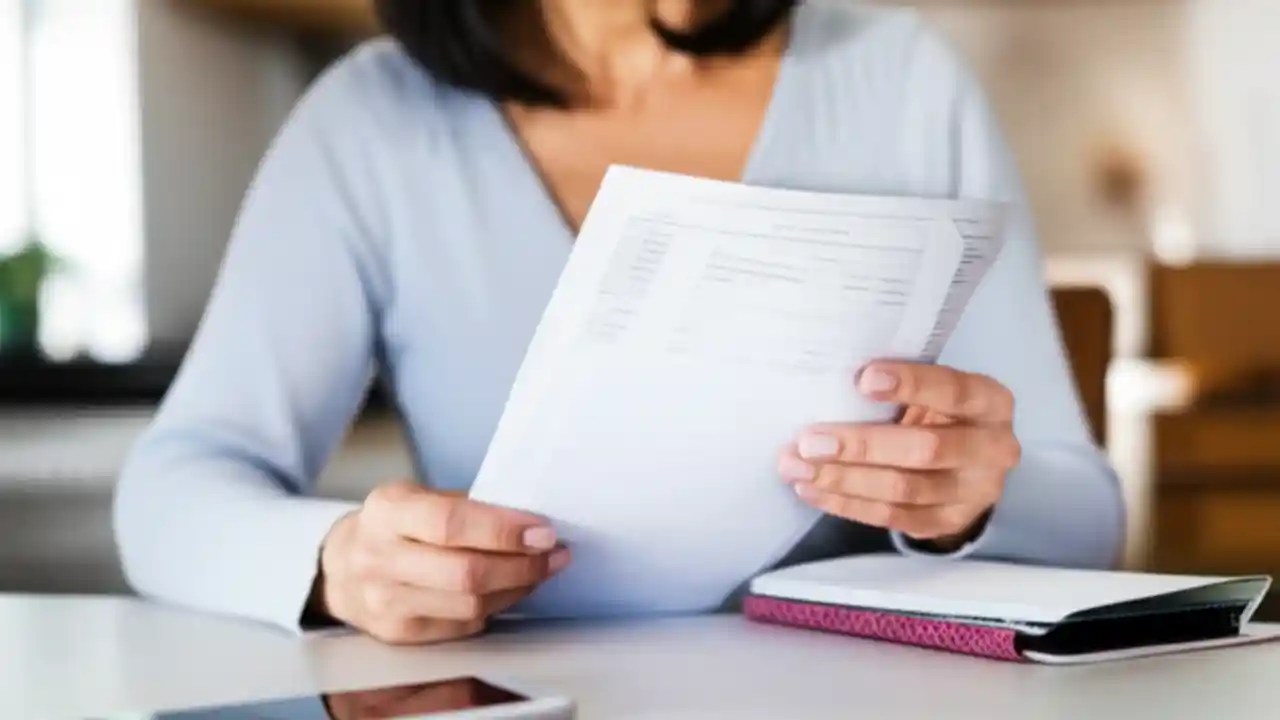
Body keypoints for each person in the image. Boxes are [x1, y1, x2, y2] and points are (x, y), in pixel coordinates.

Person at [114, 0, 1125, 644]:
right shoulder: (371, 121)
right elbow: (173, 490)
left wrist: (968, 505)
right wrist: (338, 560)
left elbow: (1082, 510)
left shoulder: (901, 79)